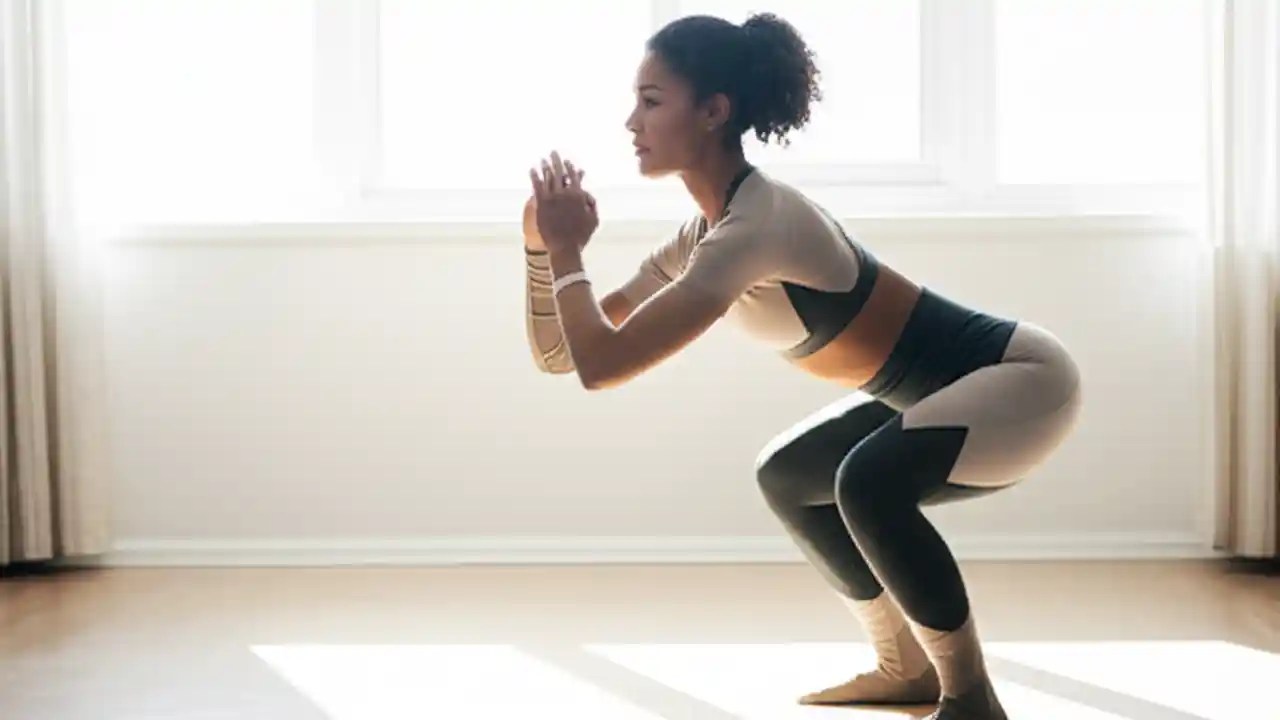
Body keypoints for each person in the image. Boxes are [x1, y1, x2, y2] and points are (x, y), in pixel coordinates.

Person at [521, 12, 1082, 720]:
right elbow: (567, 353)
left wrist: (568, 253)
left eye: (651, 101)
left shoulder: (759, 224)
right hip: (940, 392)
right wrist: (540, 248)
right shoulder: (701, 237)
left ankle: (972, 700)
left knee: (867, 482)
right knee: (788, 475)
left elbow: (602, 367)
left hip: (1023, 379)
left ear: (714, 112)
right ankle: (904, 668)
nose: (631, 121)